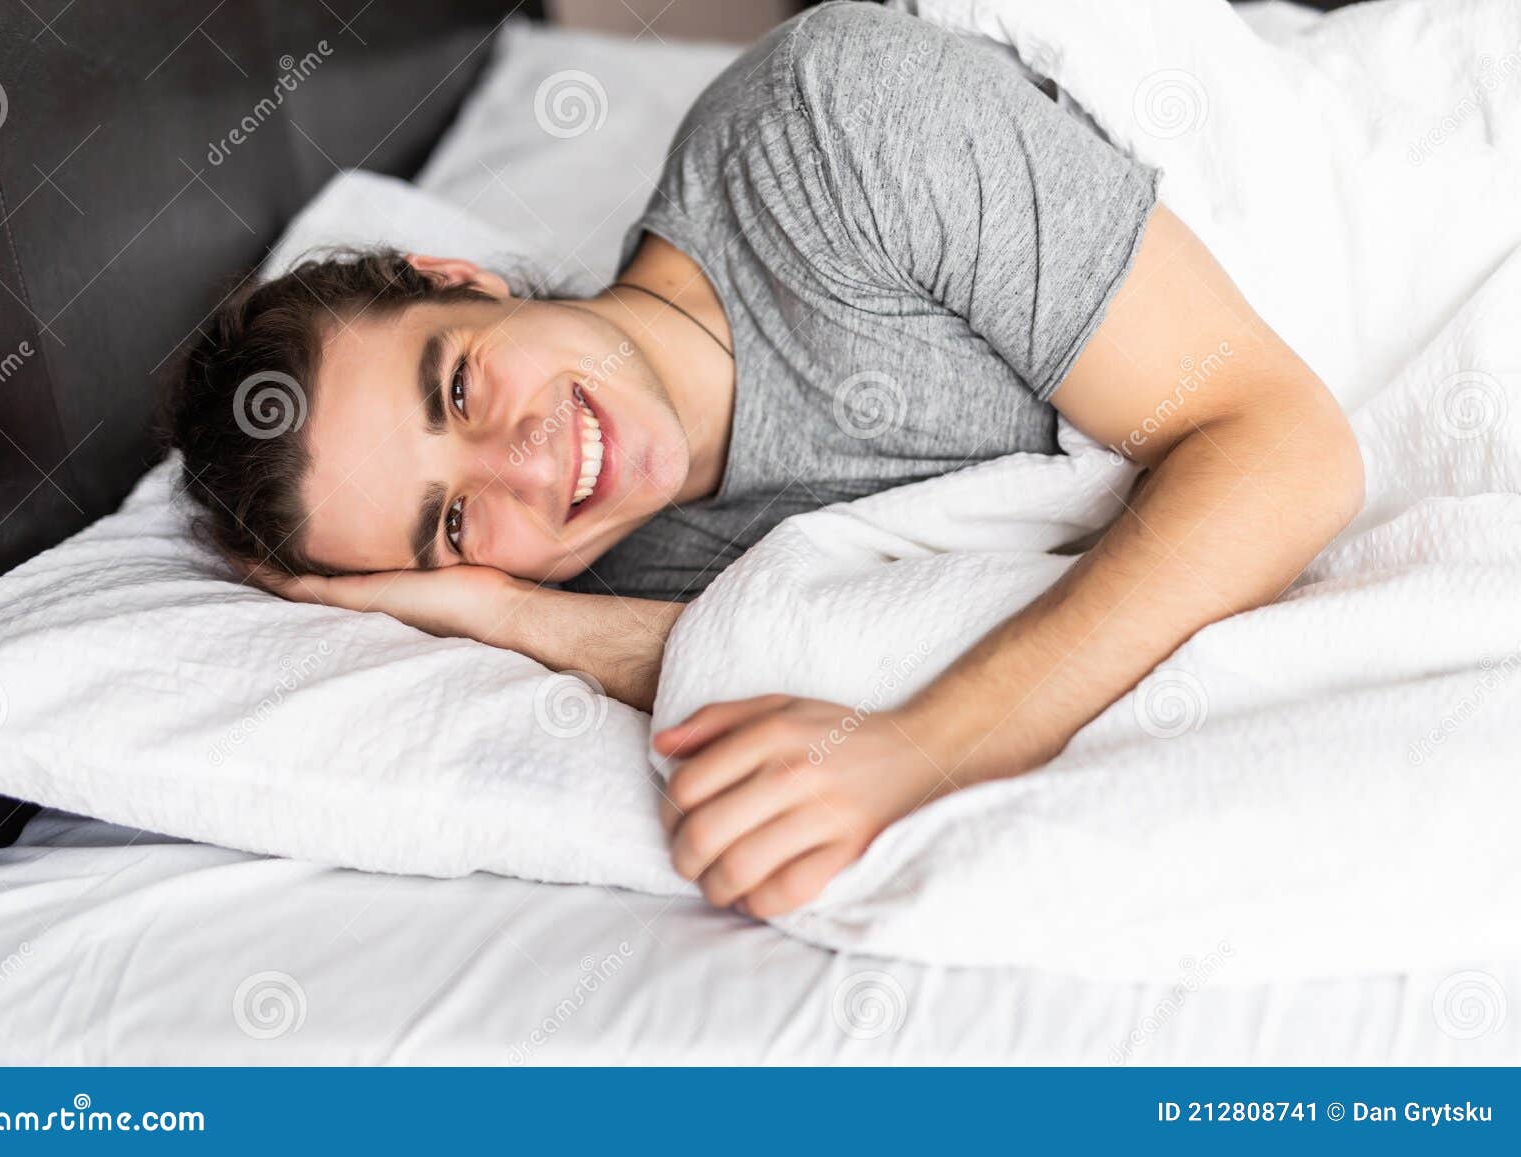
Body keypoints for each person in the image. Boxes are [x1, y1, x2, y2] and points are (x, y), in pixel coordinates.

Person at [168, 3, 1362, 918]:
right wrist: (502, 609)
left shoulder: (834, 131)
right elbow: (794, 640)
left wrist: (929, 747)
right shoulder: (595, 569)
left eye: (462, 385)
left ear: (456, 279)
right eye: (453, 520)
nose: (526, 464)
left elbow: (1283, 444)